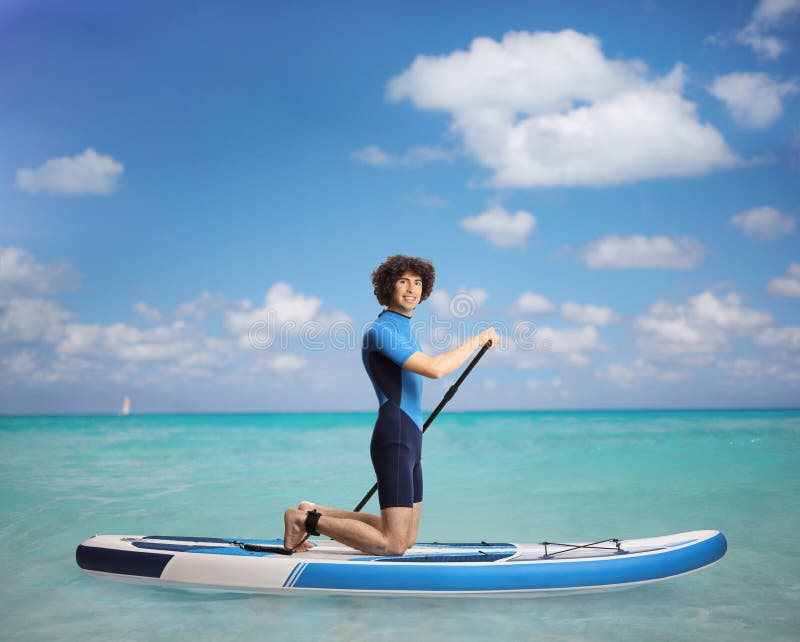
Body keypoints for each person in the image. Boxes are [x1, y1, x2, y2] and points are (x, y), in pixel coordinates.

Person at [283, 255, 498, 555]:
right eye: (403, 281)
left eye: (418, 282)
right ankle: (302, 522)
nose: (412, 288)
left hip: (412, 441)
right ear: (389, 286)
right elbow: (435, 369)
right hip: (395, 437)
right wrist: (476, 340)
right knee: (394, 544)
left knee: (405, 537)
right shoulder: (380, 331)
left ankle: (315, 511)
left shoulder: (405, 330)